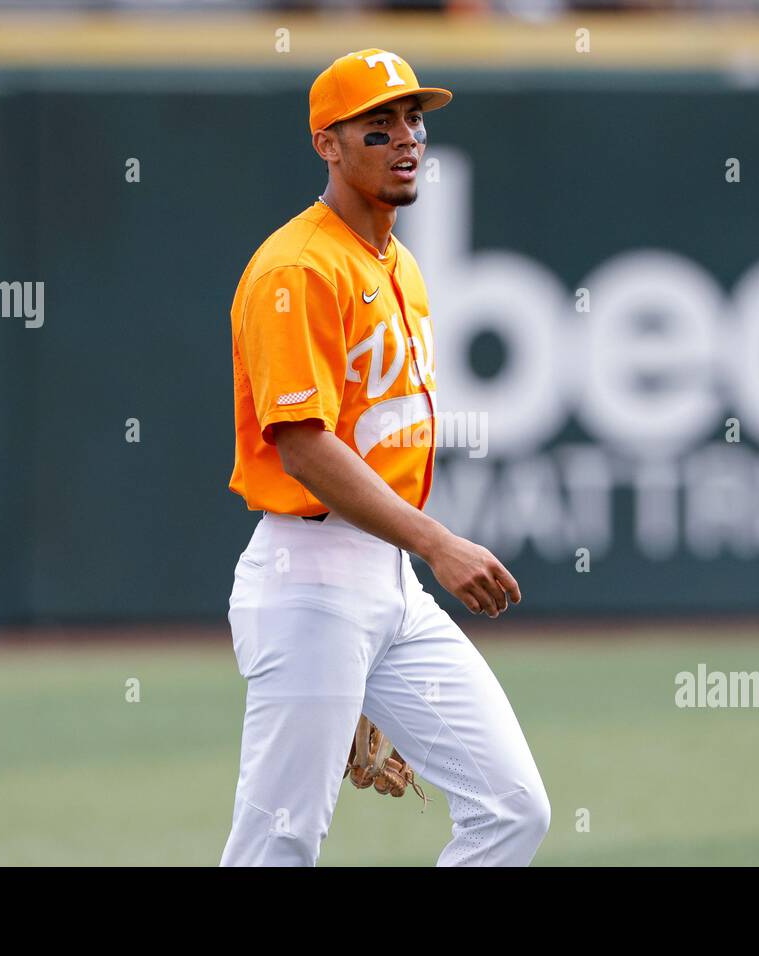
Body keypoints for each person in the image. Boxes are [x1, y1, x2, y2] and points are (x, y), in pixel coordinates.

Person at [219, 48, 550, 867]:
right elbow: (302, 446)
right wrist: (437, 543)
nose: (405, 139)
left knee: (512, 809)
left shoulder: (397, 263)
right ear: (327, 144)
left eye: (415, 120)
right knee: (279, 841)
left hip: (387, 589)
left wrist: (368, 671)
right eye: (378, 126)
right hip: (310, 581)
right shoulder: (296, 268)